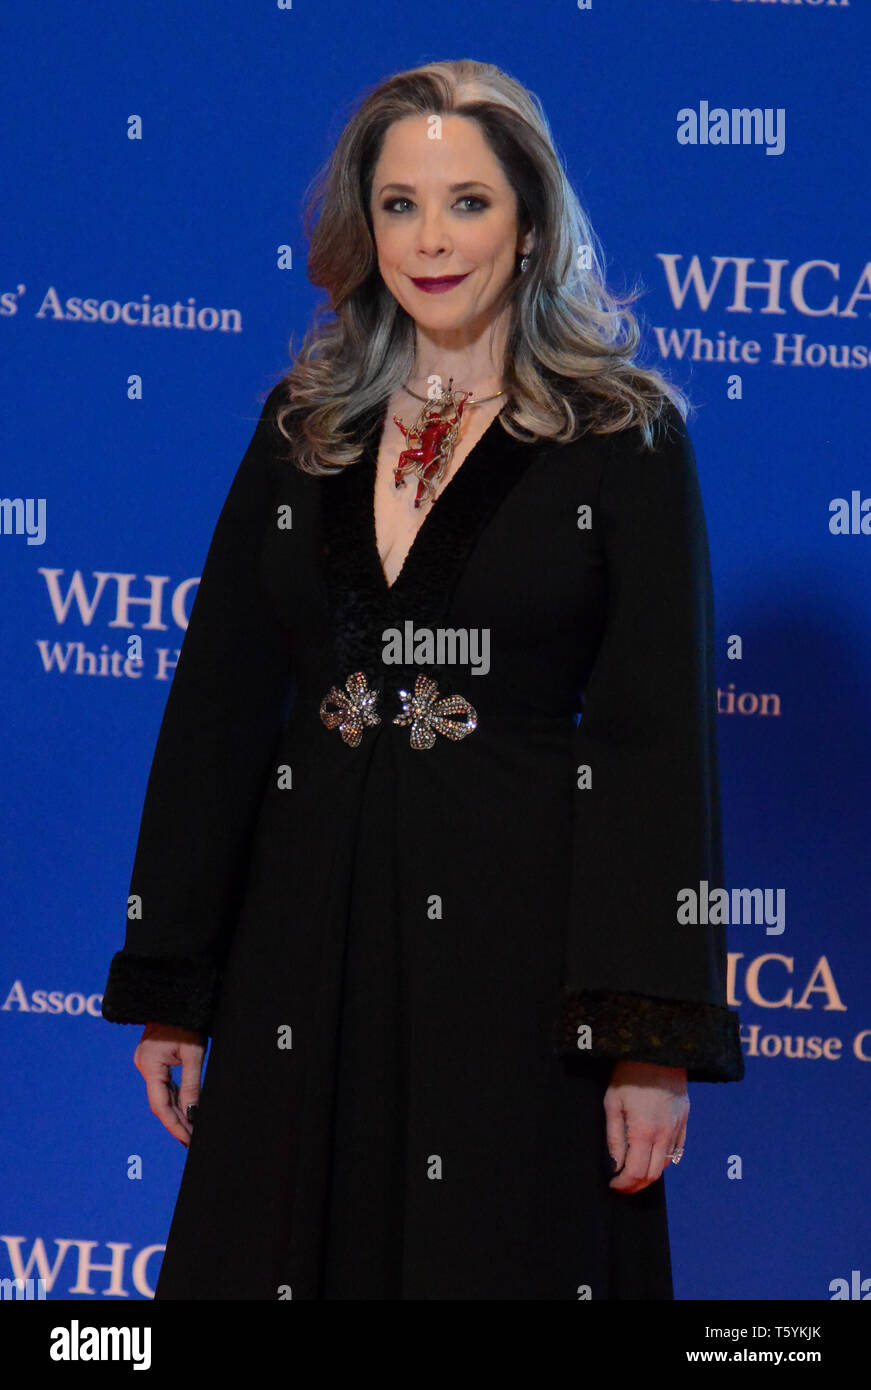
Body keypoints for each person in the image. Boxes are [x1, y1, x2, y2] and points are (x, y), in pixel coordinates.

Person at [101, 58, 744, 1301]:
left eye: (468, 202)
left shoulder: (623, 436)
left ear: (532, 222)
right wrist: (175, 984)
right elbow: (219, 713)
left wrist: (645, 1041)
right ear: (363, 223)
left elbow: (653, 740)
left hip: (518, 955)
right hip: (306, 940)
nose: (431, 240)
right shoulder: (306, 424)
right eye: (399, 204)